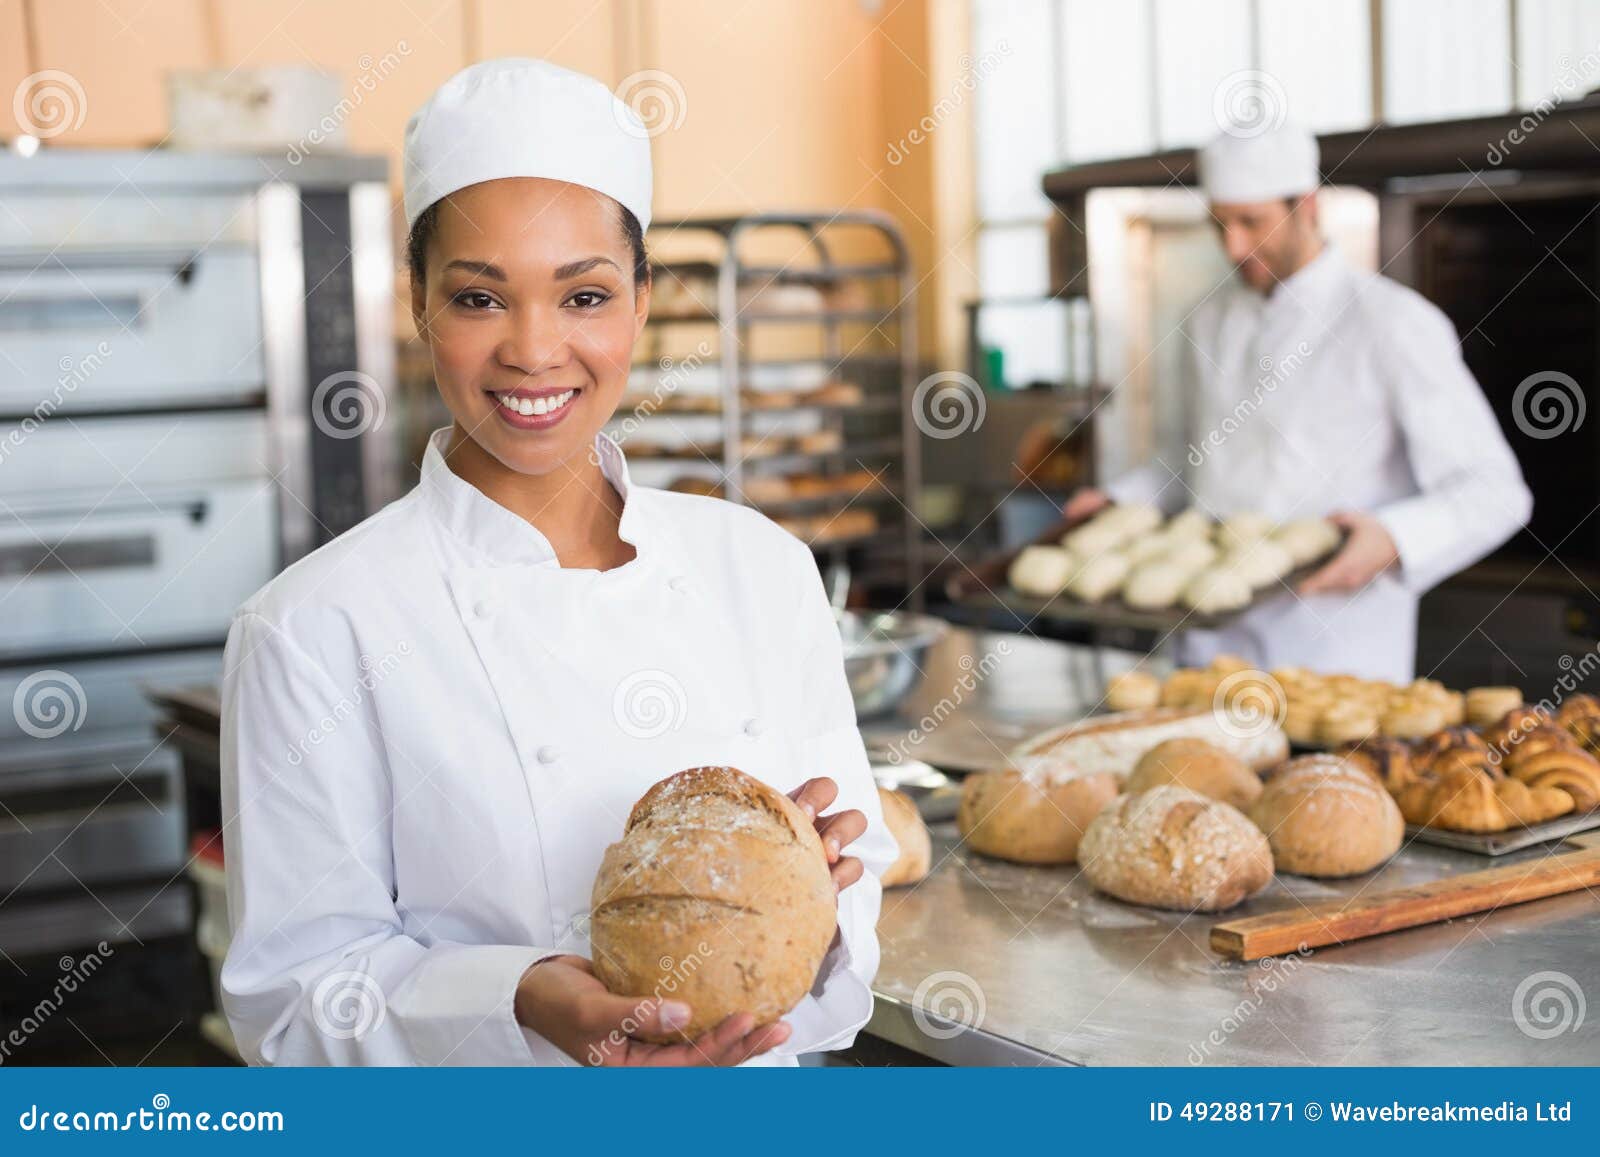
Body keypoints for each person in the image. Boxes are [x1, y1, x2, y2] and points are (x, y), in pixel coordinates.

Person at [219, 58, 893, 1067]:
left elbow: (857, 905)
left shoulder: (759, 564)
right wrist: (520, 999)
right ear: (415, 302)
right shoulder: (316, 624)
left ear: (643, 301)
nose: (534, 351)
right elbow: (291, 1003)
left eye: (583, 295)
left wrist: (807, 896)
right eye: (480, 299)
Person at [1065, 122, 1531, 682]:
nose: (1234, 246)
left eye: (1252, 223)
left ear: (1307, 206)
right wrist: (1120, 500)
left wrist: (1394, 538)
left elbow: (1494, 492)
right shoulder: (1205, 321)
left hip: (1331, 660)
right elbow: (1186, 460)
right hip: (1207, 655)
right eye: (1220, 225)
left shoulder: (1391, 323)